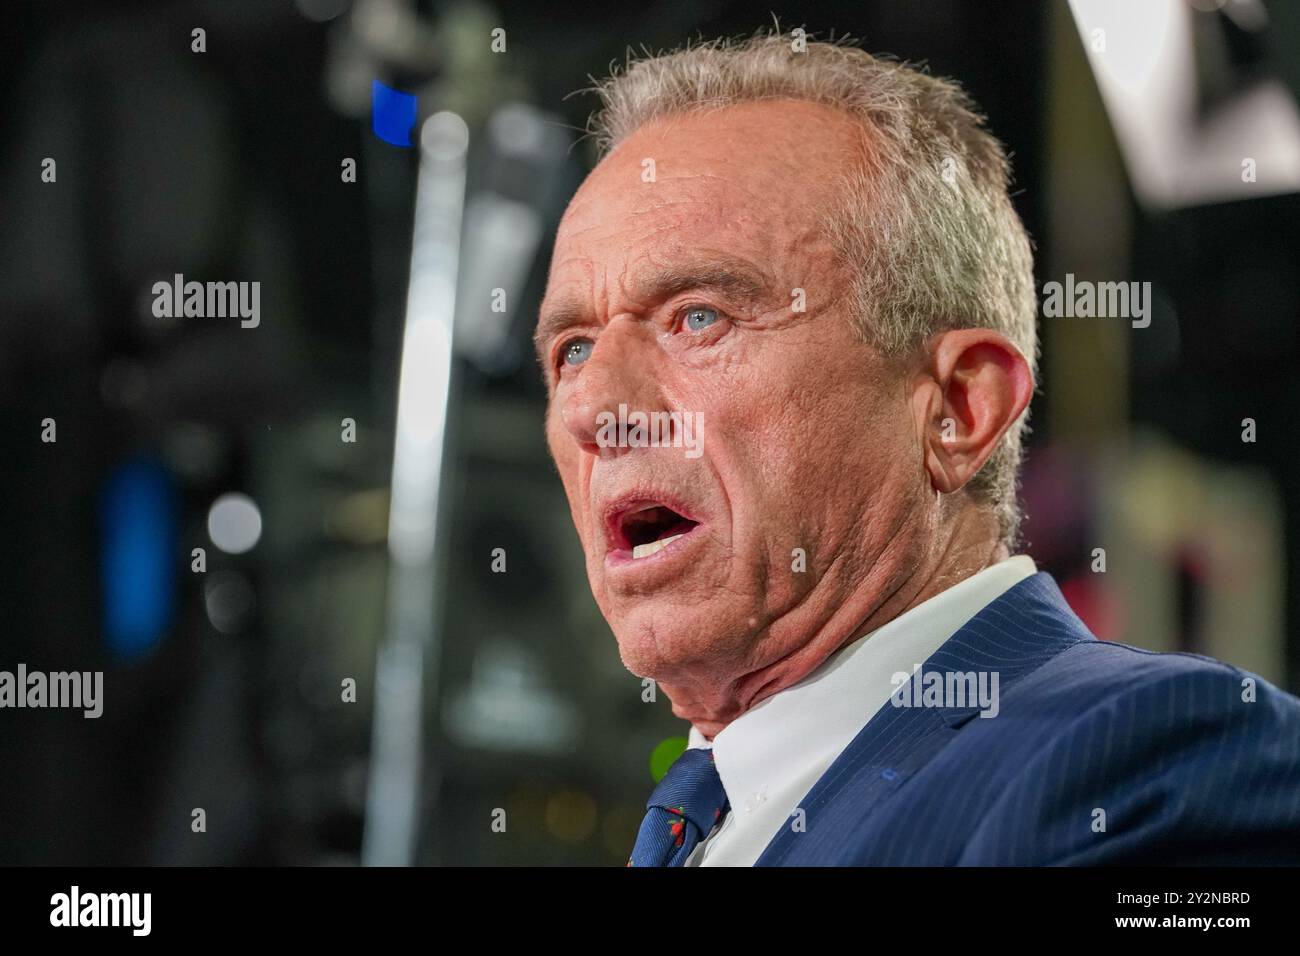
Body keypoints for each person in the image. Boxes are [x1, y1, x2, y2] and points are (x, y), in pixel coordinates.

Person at [532, 33, 1300, 865]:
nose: (594, 408)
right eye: (572, 348)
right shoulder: (704, 817)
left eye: (700, 316)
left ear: (961, 409)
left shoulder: (1156, 759)